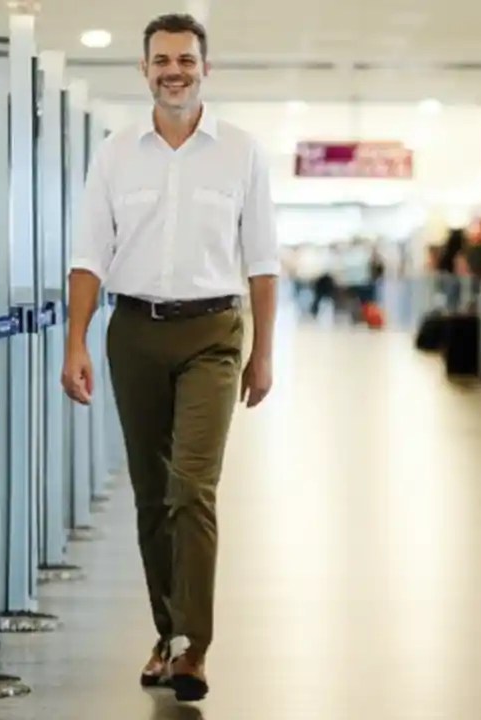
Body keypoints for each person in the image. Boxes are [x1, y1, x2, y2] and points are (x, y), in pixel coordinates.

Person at [61, 13, 279, 702]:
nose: (174, 70)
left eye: (186, 59)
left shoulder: (242, 152)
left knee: (192, 487)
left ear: (205, 68)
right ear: (145, 69)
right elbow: (89, 257)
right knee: (153, 496)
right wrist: (75, 342)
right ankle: (168, 635)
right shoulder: (115, 153)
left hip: (214, 334)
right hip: (134, 334)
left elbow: (263, 262)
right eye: (161, 60)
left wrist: (262, 355)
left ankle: (194, 649)